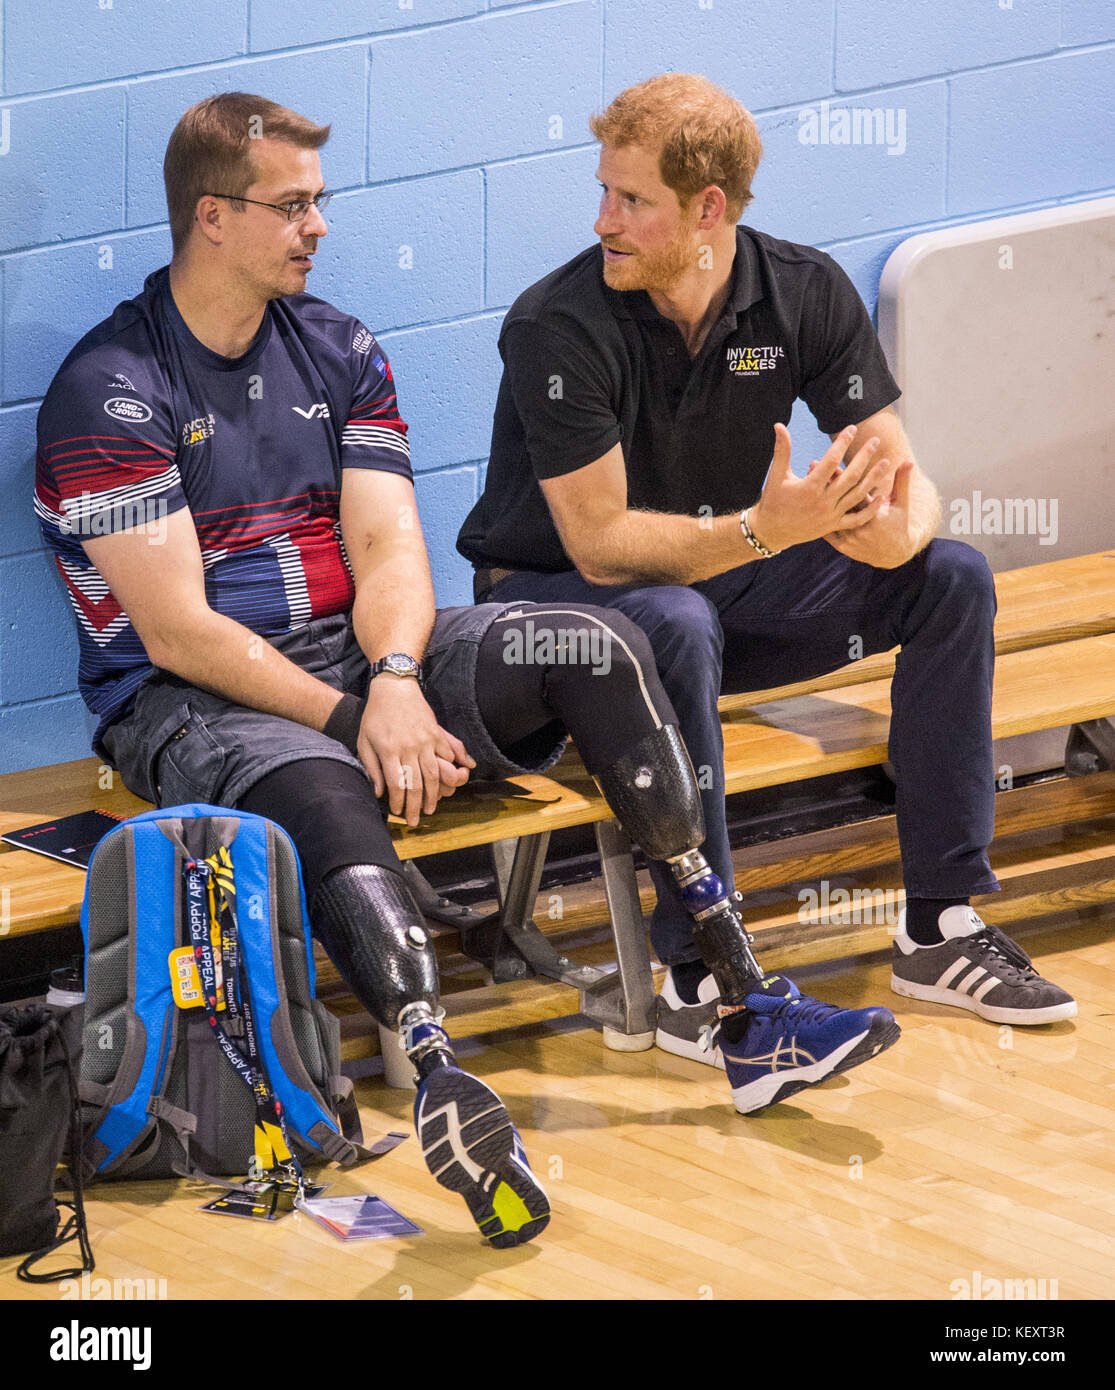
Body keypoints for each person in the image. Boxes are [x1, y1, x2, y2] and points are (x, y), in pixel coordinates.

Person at [35, 92, 902, 1250]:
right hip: (188, 704)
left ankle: (741, 995)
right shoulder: (112, 389)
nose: (318, 227)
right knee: (320, 782)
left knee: (590, 641)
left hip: (360, 659)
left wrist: (392, 678)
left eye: (319, 204)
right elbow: (183, 634)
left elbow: (392, 547)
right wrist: (357, 716)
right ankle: (441, 1075)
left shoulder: (337, 347)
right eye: (292, 206)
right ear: (212, 218)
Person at [457, 72, 1076, 1058]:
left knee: (949, 575)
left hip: (718, 585)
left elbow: (905, 481)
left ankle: (938, 926)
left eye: (631, 200)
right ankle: (703, 975)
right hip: (551, 613)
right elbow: (599, 540)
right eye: (603, 191)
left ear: (708, 209)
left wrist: (885, 531)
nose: (602, 218)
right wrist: (766, 529)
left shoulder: (802, 291)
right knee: (674, 619)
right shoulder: (557, 325)